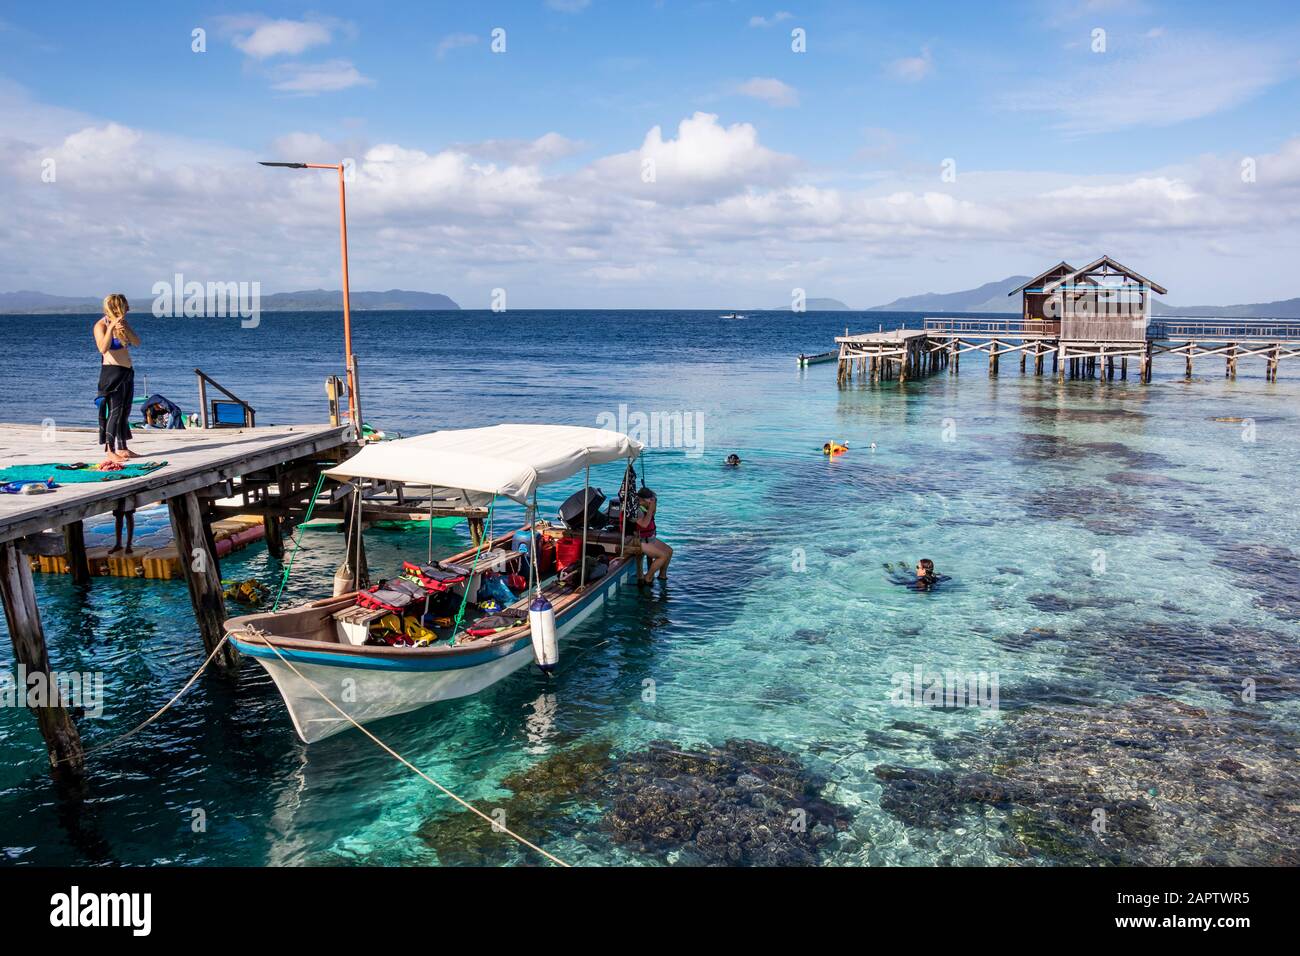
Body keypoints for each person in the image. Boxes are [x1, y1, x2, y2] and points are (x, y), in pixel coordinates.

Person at [94, 294, 141, 461]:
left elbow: (136, 342)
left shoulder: (124, 324)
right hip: (112, 373)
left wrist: (124, 328)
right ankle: (110, 450)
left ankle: (123, 447)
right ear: (116, 308)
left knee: (125, 412)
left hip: (127, 371)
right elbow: (102, 348)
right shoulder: (100, 325)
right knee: (114, 412)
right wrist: (112, 326)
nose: (127, 310)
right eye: (125, 307)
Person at [634, 487, 673, 584]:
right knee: (662, 556)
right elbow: (644, 524)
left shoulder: (645, 507)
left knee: (669, 551)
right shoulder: (637, 510)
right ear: (642, 499)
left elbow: (653, 514)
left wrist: (653, 505)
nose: (651, 502)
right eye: (650, 500)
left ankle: (662, 575)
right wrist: (650, 509)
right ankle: (648, 577)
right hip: (640, 540)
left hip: (649, 538)